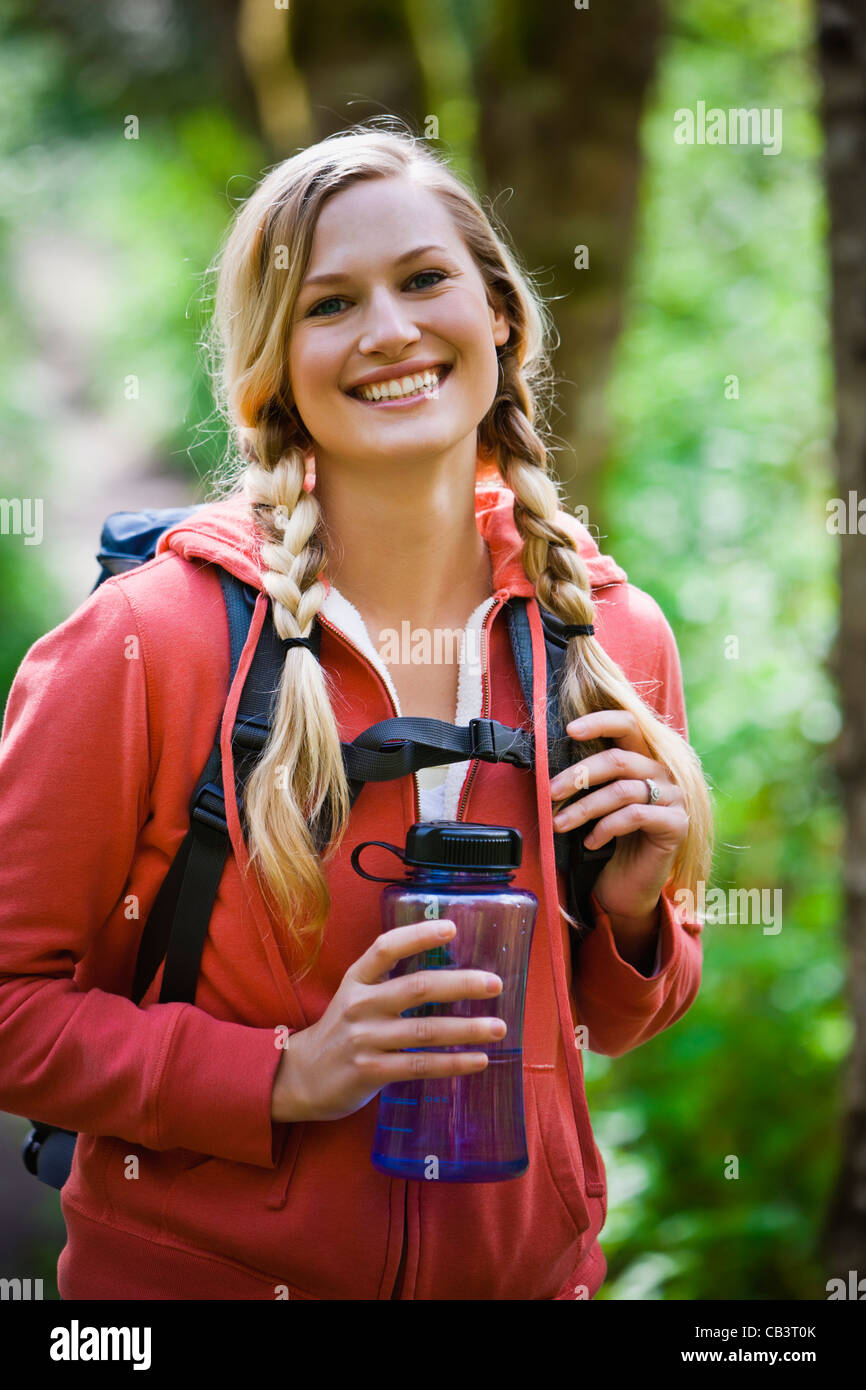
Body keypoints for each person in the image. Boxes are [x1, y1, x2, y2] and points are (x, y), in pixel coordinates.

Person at [0, 118, 713, 1301]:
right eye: (329, 304)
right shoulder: (150, 641)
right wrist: (282, 1073)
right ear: (271, 369)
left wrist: (634, 909)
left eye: (424, 279)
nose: (389, 331)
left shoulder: (606, 634)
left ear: (499, 313)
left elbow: (625, 1014)